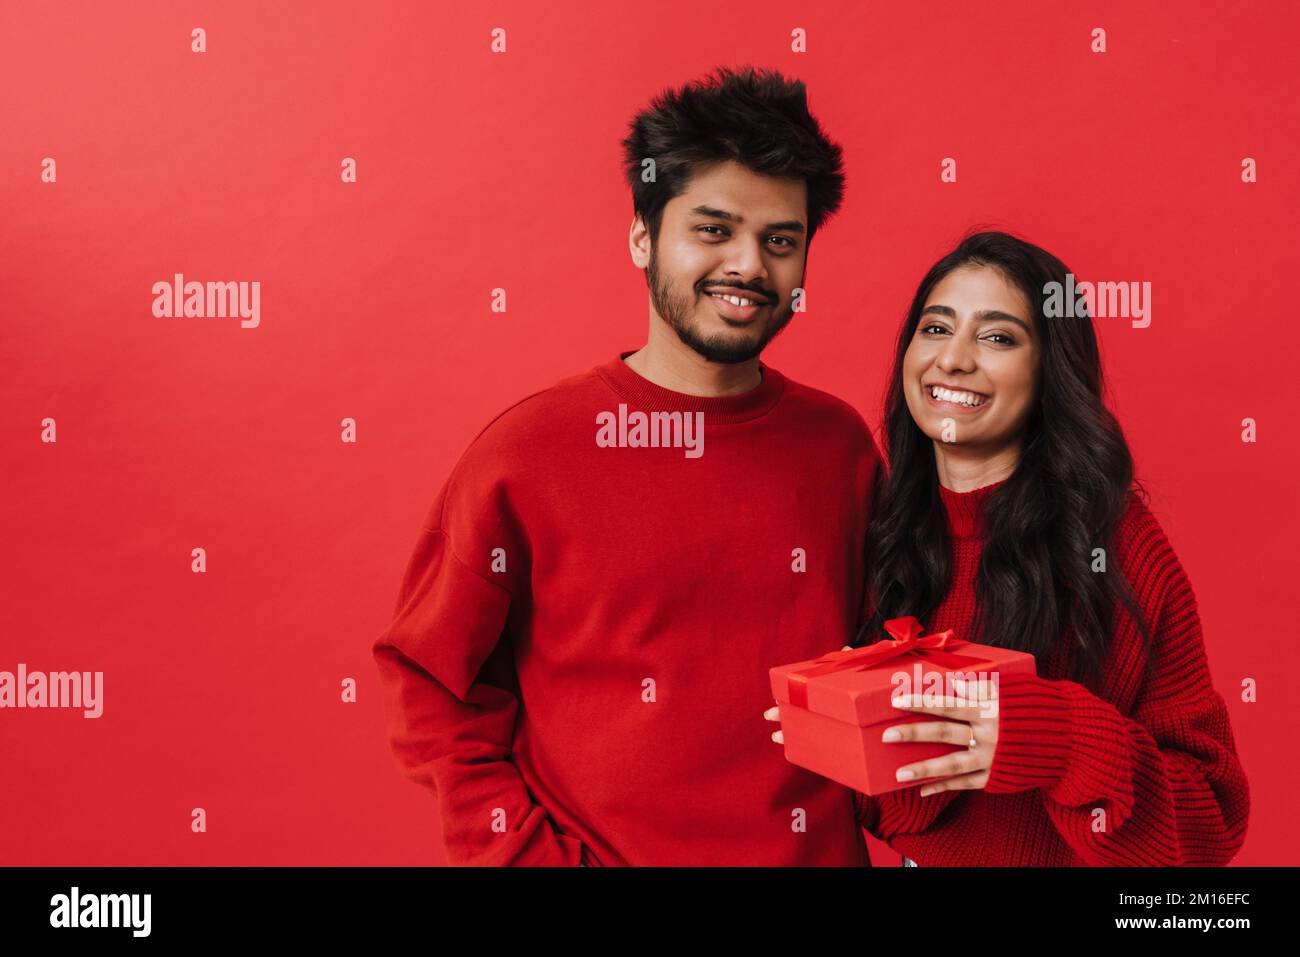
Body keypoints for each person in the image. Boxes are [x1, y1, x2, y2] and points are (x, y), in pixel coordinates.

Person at [373, 65, 884, 865]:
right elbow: (429, 679)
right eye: (713, 230)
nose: (749, 265)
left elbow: (891, 657)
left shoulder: (841, 447)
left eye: (779, 240)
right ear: (643, 235)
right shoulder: (528, 451)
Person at [766, 230, 1250, 865]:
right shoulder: (881, 533)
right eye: (936, 329)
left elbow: (1210, 824)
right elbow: (900, 817)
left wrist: (1061, 741)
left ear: (1050, 372)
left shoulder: (1116, 546)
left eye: (997, 338)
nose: (954, 361)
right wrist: (840, 732)